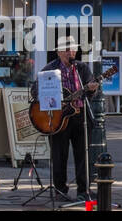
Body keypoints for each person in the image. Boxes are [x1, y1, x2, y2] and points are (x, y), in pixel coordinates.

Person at [39, 36, 100, 201]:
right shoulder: (49, 69)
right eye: (66, 49)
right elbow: (34, 91)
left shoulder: (82, 69)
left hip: (81, 117)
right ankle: (60, 190)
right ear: (58, 52)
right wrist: (50, 98)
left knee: (83, 155)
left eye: (73, 48)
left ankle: (83, 190)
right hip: (59, 119)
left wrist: (92, 89)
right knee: (60, 155)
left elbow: (90, 91)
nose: (70, 52)